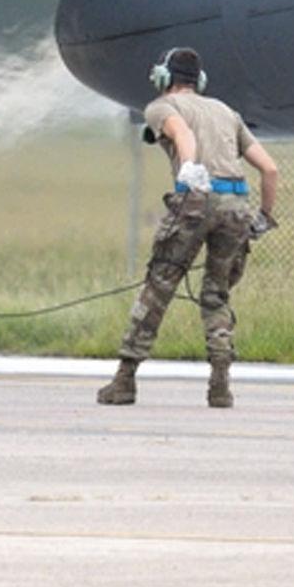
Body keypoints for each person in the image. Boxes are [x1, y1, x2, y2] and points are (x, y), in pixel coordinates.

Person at [97, 47, 279, 409]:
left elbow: (183, 137)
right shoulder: (227, 112)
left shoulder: (161, 108)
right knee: (217, 295)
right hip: (237, 204)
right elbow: (270, 169)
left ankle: (124, 380)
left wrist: (189, 169)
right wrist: (263, 217)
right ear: (200, 81)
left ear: (164, 79)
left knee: (159, 286)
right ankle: (220, 386)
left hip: (195, 200)